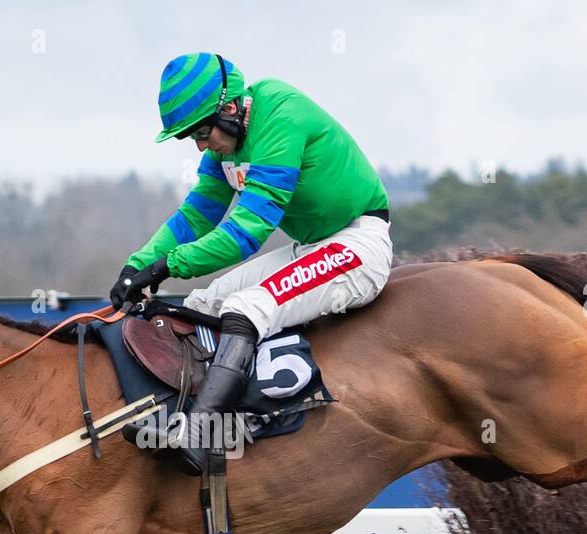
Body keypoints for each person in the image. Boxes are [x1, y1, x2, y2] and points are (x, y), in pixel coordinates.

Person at [112, 52, 394, 475]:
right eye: (192, 138)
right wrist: (139, 265)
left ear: (229, 110)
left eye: (201, 133)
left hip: (360, 244)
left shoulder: (281, 114)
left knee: (247, 308)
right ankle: (179, 414)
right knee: (202, 305)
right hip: (313, 246)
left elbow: (246, 233)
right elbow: (195, 216)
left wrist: (168, 266)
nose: (201, 146)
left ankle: (202, 436)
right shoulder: (227, 142)